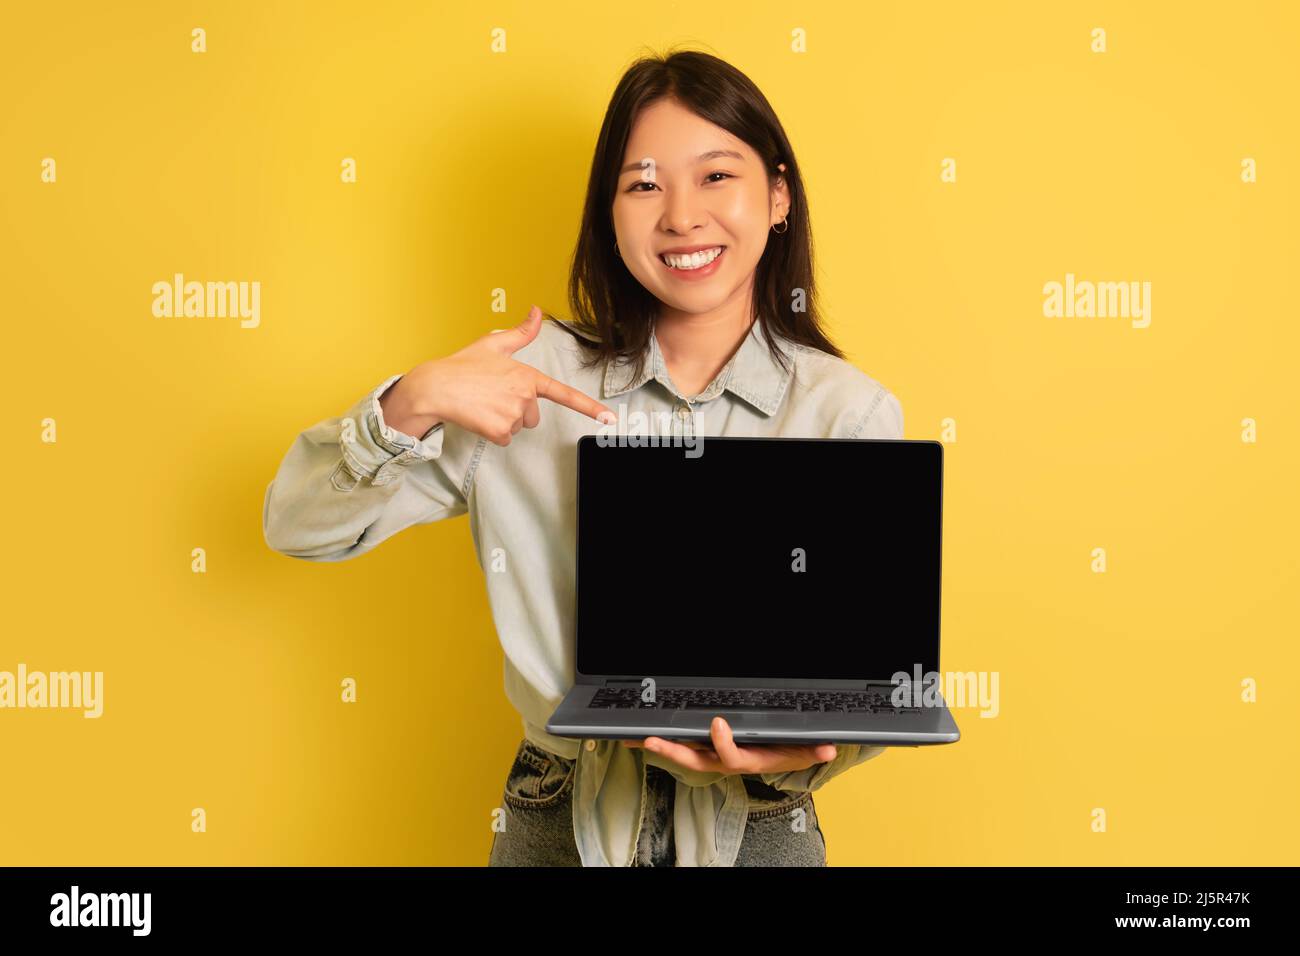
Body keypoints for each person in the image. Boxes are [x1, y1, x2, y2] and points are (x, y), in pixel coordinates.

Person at [263, 48, 902, 866]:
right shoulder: (523, 387)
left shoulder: (848, 412)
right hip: (556, 815)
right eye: (643, 184)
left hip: (760, 827)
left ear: (778, 195)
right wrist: (411, 402)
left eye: (716, 177)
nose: (680, 216)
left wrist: (799, 760)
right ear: (609, 212)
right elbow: (294, 525)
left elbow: (871, 689)